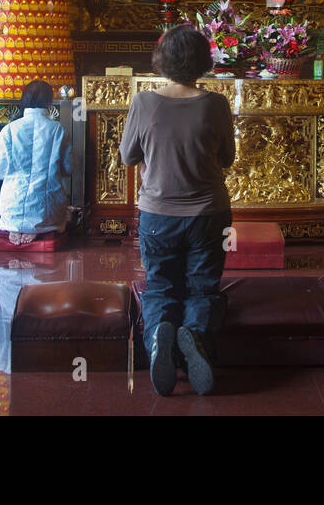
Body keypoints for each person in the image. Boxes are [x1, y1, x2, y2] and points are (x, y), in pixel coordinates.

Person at [119, 26, 235, 397]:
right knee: (202, 288)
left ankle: (158, 338)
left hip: (157, 214)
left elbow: (127, 156)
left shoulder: (144, 102)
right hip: (208, 214)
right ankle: (195, 335)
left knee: (160, 285)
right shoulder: (215, 104)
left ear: (161, 61)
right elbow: (227, 159)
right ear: (204, 60)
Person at [0, 80, 71, 244]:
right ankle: (35, 228)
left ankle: (18, 228)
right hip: (46, 211)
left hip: (11, 209)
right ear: (49, 101)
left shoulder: (9, 130)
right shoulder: (56, 129)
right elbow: (68, 167)